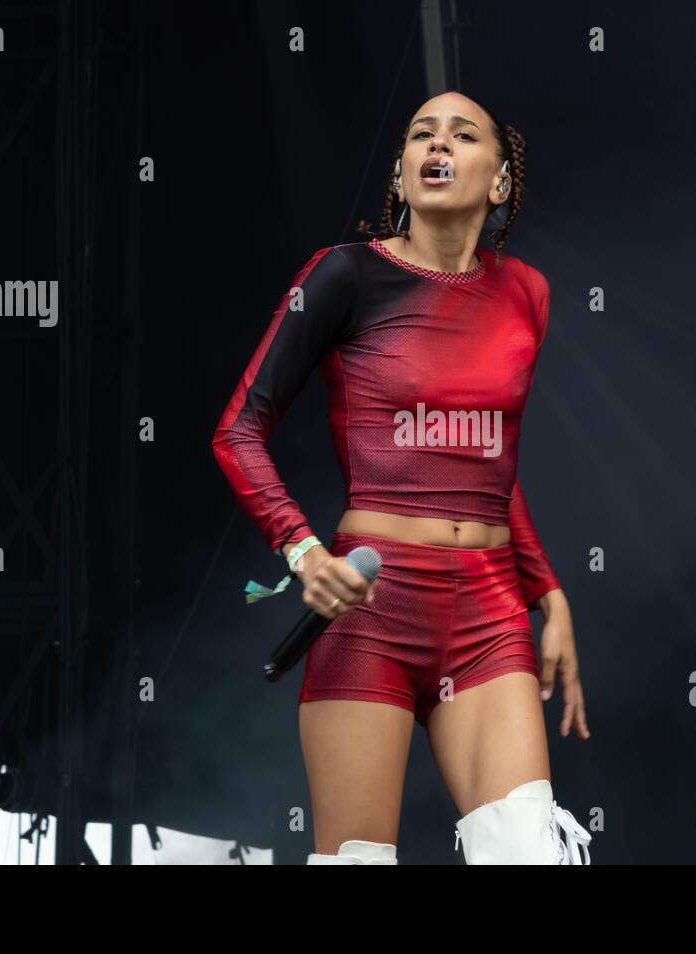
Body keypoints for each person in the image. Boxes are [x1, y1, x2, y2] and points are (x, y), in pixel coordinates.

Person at [211, 91, 591, 864]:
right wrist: (304, 553)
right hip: (371, 612)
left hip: (487, 611)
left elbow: (490, 470)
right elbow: (236, 431)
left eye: (461, 133)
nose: (437, 143)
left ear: (500, 182)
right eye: (420, 133)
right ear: (400, 170)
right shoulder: (343, 275)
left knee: (528, 852)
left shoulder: (527, 295)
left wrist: (548, 593)